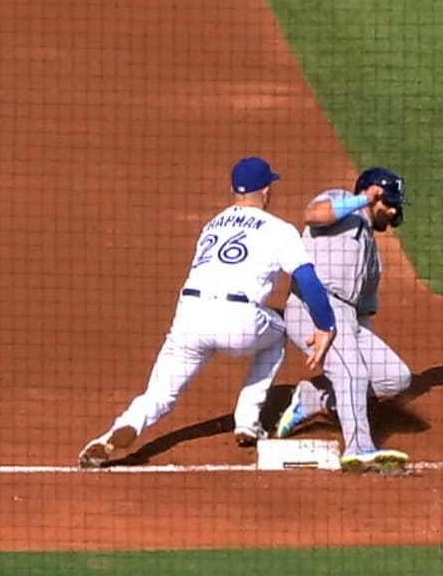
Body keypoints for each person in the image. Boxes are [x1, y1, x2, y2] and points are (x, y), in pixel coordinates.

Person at [77, 156, 338, 468]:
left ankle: (123, 426)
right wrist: (326, 325)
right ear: (266, 191)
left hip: (189, 315)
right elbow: (306, 278)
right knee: (279, 328)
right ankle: (247, 420)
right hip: (239, 322)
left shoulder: (212, 224)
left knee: (160, 392)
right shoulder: (279, 229)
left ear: (234, 190)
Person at [276, 167, 413, 473]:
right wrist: (361, 200)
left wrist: (356, 350)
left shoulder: (371, 255)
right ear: (370, 195)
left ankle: (315, 398)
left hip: (349, 319)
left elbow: (363, 313)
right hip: (312, 307)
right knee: (351, 372)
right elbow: (313, 215)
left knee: (397, 377)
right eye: (388, 203)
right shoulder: (339, 203)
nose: (393, 211)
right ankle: (359, 448)